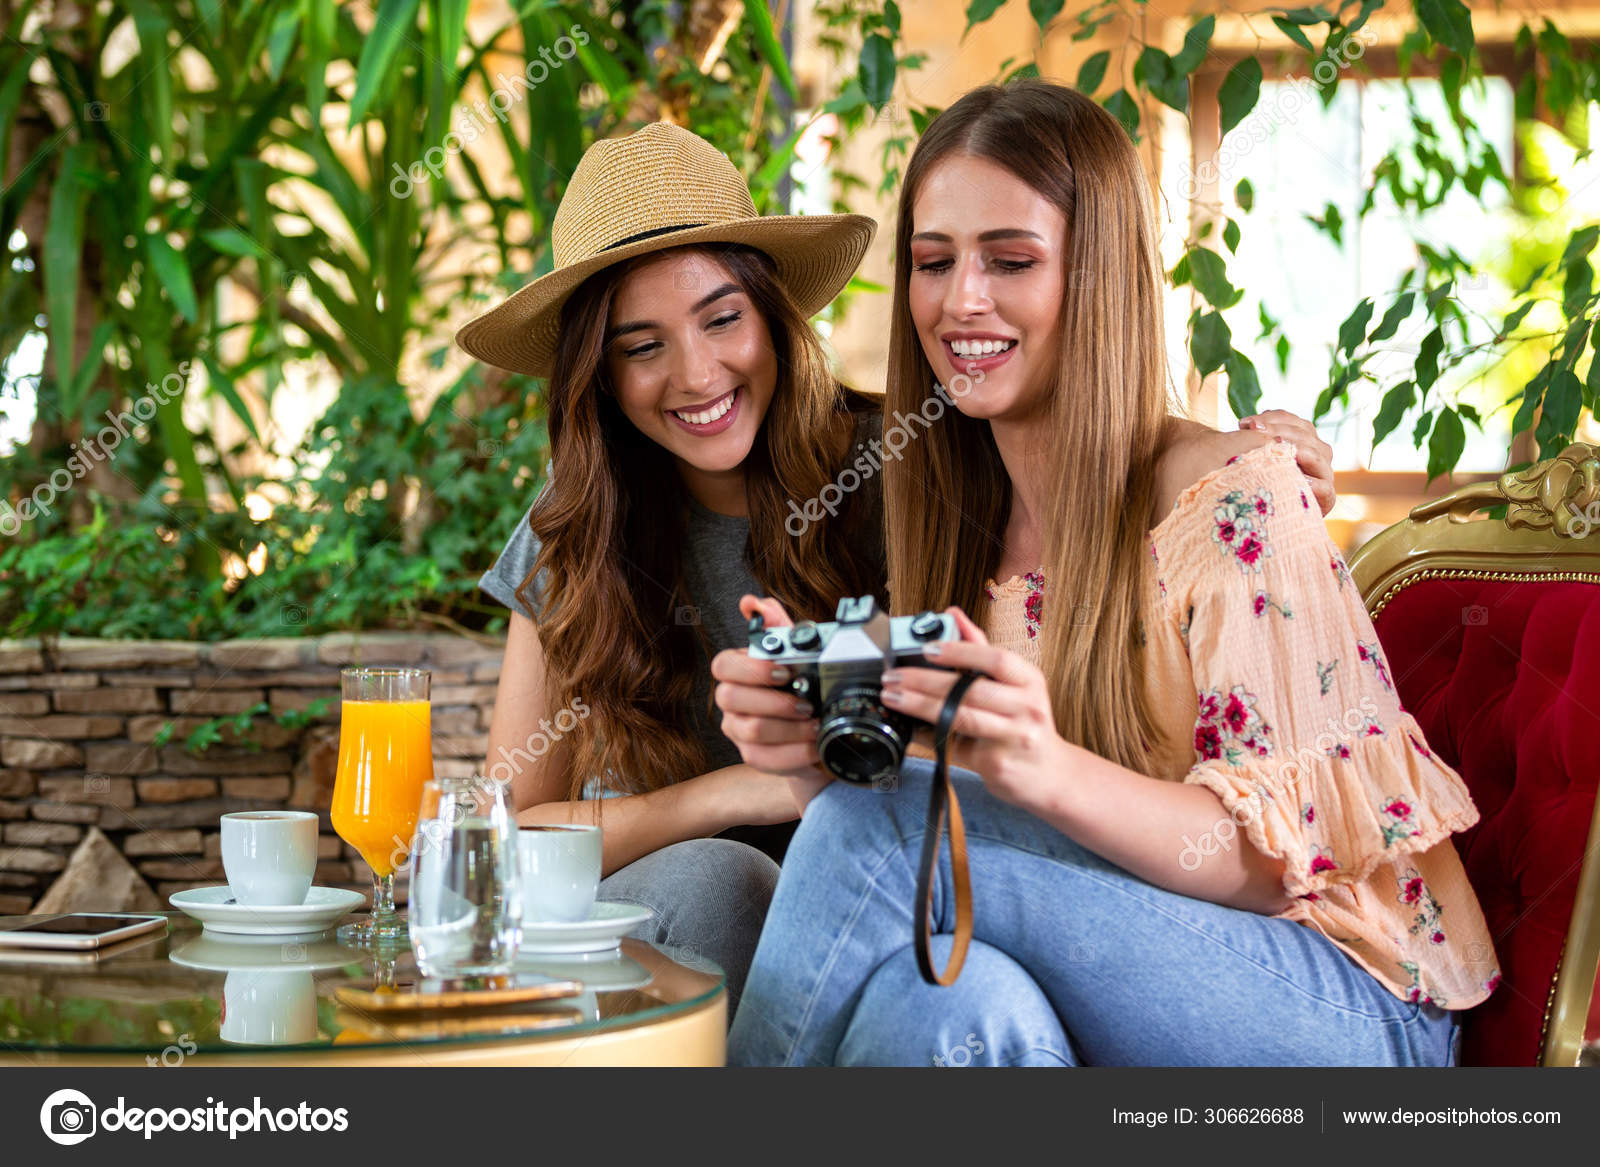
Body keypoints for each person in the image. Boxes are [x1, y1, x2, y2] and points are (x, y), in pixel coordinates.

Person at [711, 79, 1499, 1066]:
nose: (962, 301)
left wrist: (1040, 767)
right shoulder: (955, 524)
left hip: (1345, 1004)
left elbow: (1272, 866)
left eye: (1012, 260)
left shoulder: (1235, 500)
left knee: (875, 838)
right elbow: (983, 851)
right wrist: (803, 758)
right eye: (932, 261)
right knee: (947, 1004)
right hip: (1138, 960)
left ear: (1097, 279)